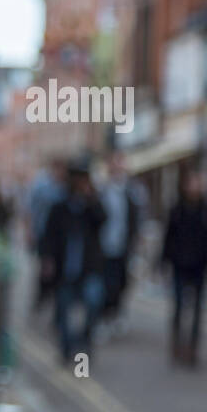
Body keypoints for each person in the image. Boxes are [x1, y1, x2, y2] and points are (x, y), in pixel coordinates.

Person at [40, 156, 106, 363]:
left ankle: (84, 340)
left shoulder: (91, 205)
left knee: (94, 303)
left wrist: (91, 199)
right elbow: (48, 236)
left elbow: (103, 220)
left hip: (89, 268)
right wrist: (47, 260)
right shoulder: (59, 207)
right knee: (63, 312)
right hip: (65, 269)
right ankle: (67, 348)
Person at [161, 165, 207, 366]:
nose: (195, 186)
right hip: (179, 264)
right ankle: (177, 344)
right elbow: (168, 237)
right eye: (192, 182)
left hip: (200, 266)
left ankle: (192, 348)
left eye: (199, 182)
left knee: (197, 310)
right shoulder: (177, 209)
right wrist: (163, 261)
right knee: (178, 307)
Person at [98, 151, 143, 334]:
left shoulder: (132, 191)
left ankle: (116, 314)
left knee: (121, 282)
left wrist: (137, 241)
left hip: (123, 246)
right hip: (103, 246)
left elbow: (137, 218)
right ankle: (104, 316)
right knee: (104, 283)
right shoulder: (102, 190)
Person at [26, 158, 67, 312]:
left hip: (59, 237)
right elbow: (31, 209)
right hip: (42, 233)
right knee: (45, 266)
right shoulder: (42, 185)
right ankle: (42, 295)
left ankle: (52, 296)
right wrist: (29, 230)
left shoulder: (65, 186)